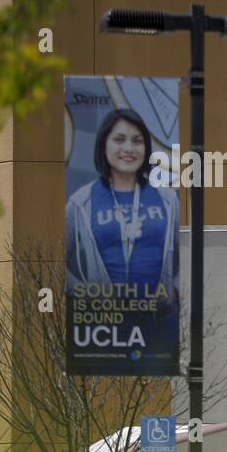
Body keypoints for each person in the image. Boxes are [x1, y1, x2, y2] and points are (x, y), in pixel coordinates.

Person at [65, 108, 179, 309]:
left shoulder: (168, 199)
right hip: (105, 324)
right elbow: (53, 262)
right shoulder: (81, 201)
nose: (129, 148)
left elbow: (184, 255)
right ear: (103, 146)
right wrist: (87, 295)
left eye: (137, 141)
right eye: (119, 139)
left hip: (159, 324)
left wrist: (173, 292)